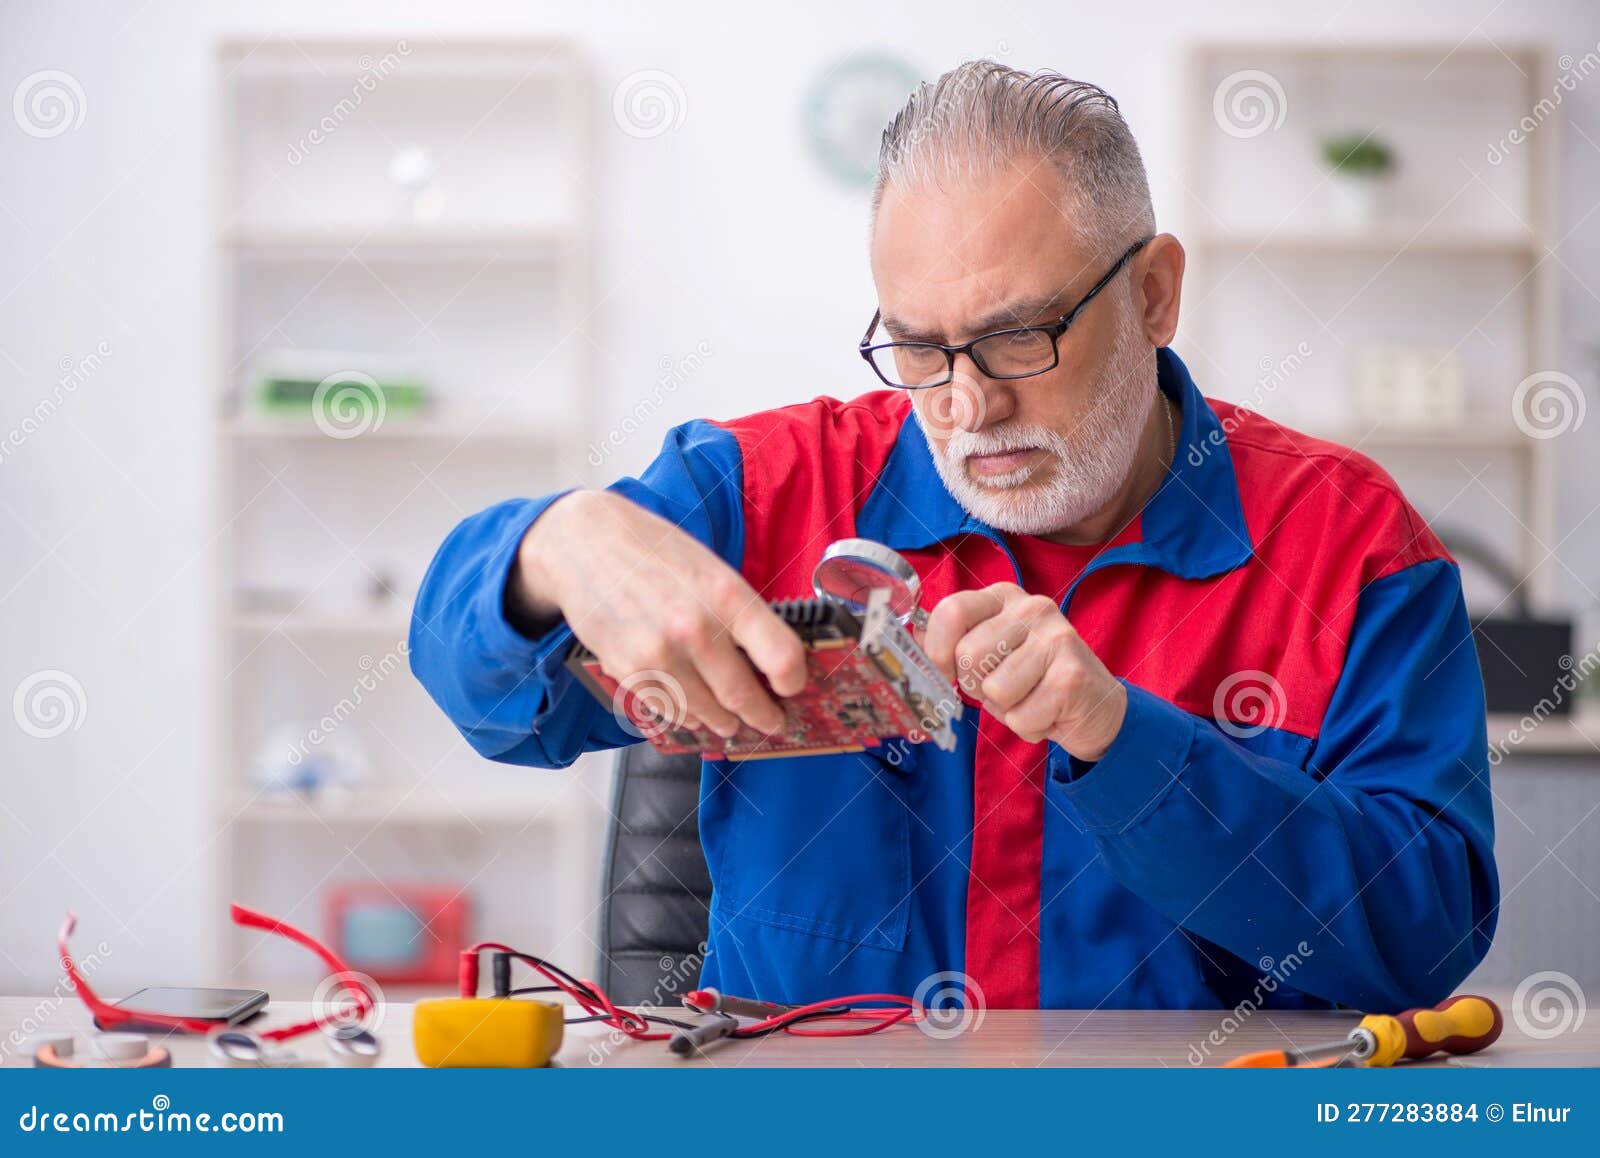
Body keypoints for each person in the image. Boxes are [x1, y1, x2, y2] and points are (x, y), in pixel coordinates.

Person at [410, 61, 1497, 1012]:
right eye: (919, 348)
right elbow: (494, 704)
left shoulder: (1350, 545)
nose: (965, 407)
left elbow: (1423, 938)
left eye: (1017, 337)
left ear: (1156, 293)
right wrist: (549, 547)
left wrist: (1127, 741)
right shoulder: (758, 490)